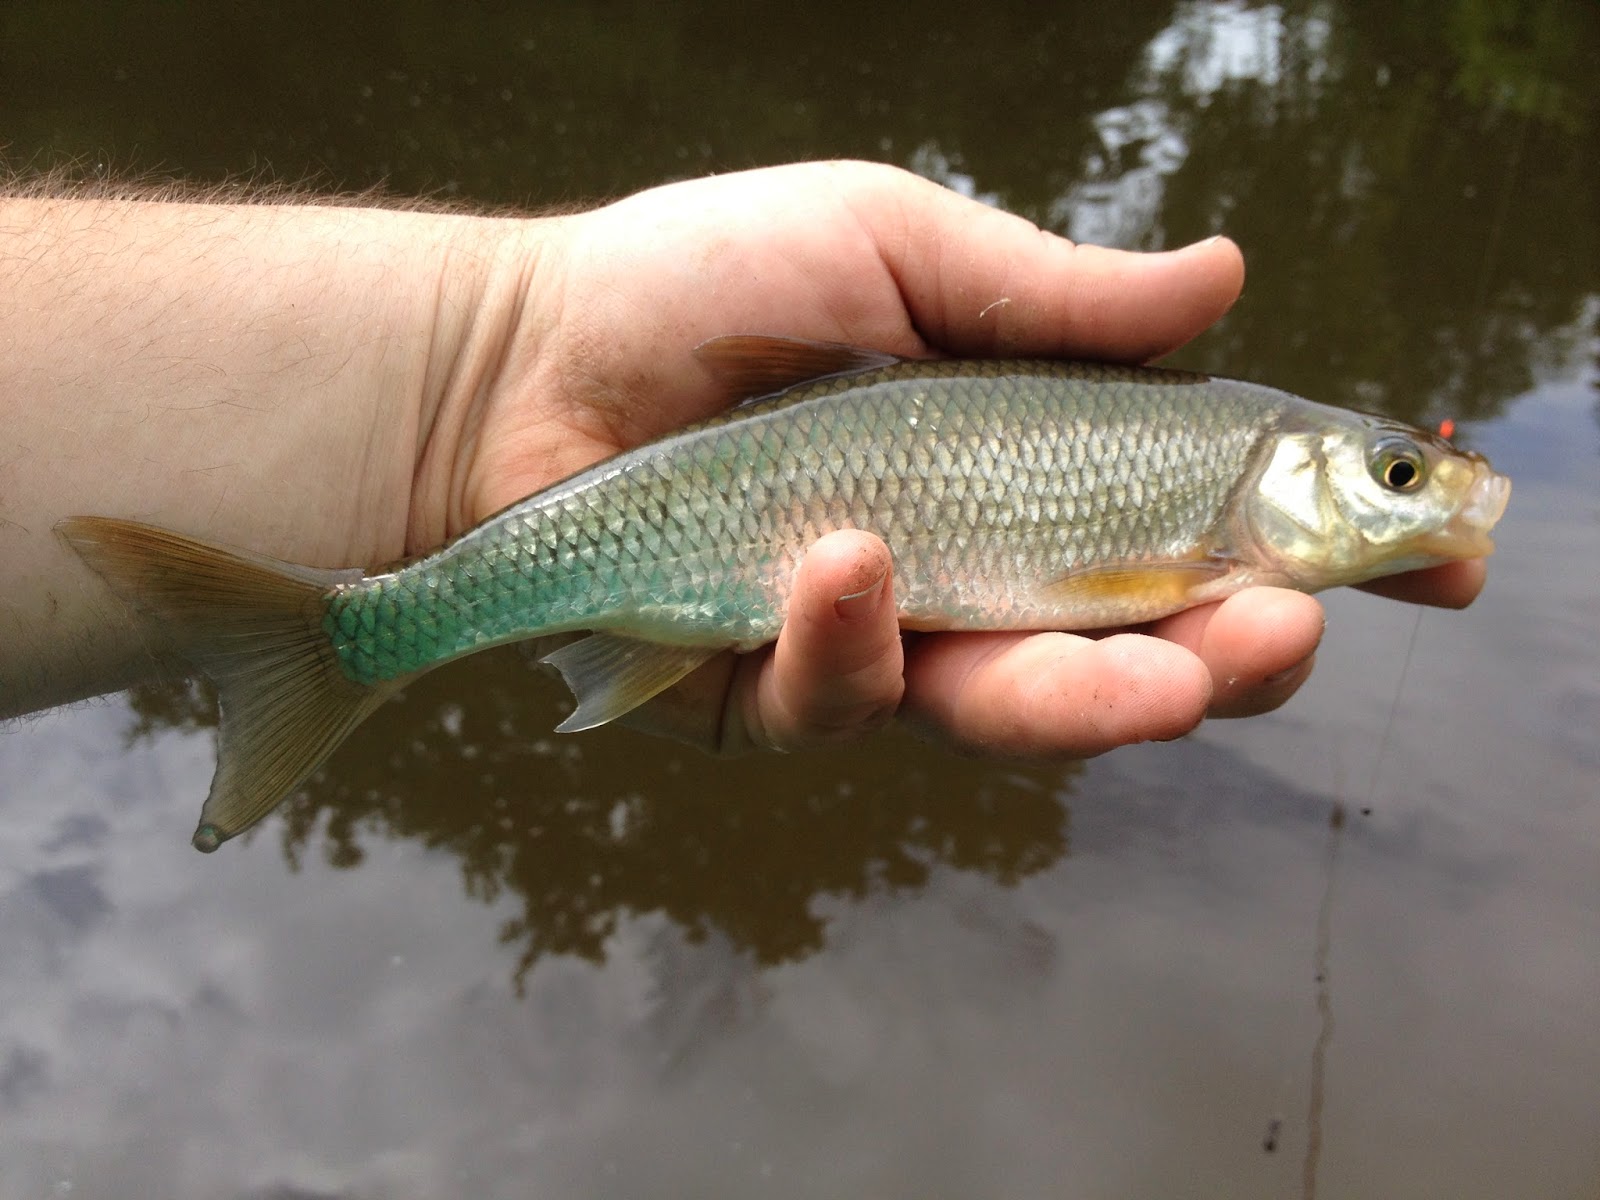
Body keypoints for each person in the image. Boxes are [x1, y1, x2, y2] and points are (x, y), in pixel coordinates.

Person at [0, 161, 1484, 754]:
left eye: (1397, 476)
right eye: (1395, 479)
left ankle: (347, 641)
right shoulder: (1204, 506)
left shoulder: (1219, 477)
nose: (1416, 494)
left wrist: (467, 361)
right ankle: (346, 642)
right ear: (1287, 463)